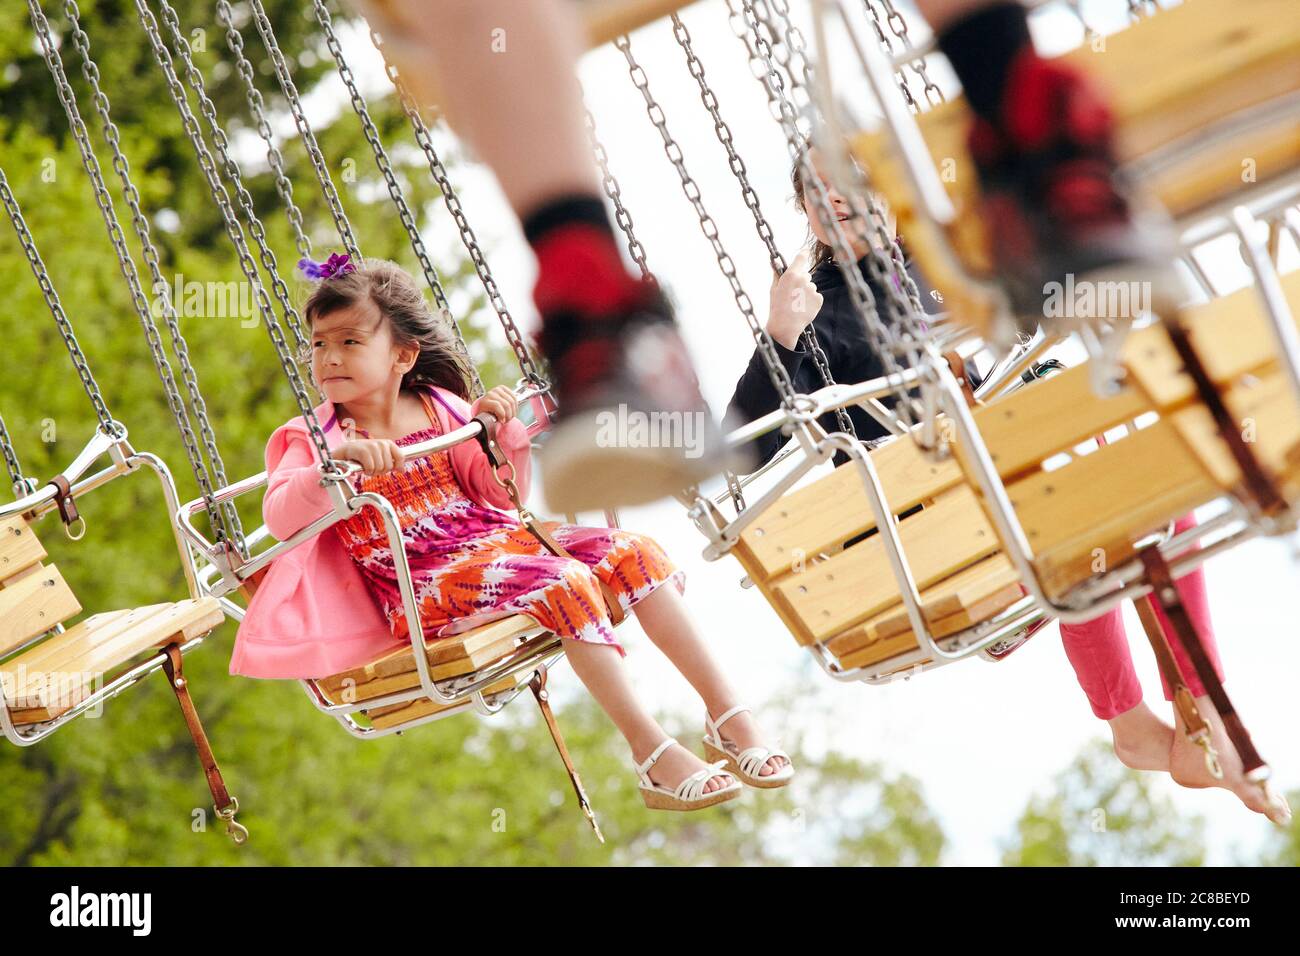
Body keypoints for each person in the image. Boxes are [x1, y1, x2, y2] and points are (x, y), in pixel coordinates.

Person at [233, 256, 794, 810]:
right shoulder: (314, 438)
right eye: (319, 344)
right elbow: (281, 515)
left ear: (403, 355)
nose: (329, 357)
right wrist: (334, 470)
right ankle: (651, 753)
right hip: (423, 584)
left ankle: (726, 713)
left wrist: (495, 436)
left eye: (350, 342)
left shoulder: (438, 406)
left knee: (637, 553)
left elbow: (501, 497)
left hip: (497, 542)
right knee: (564, 582)